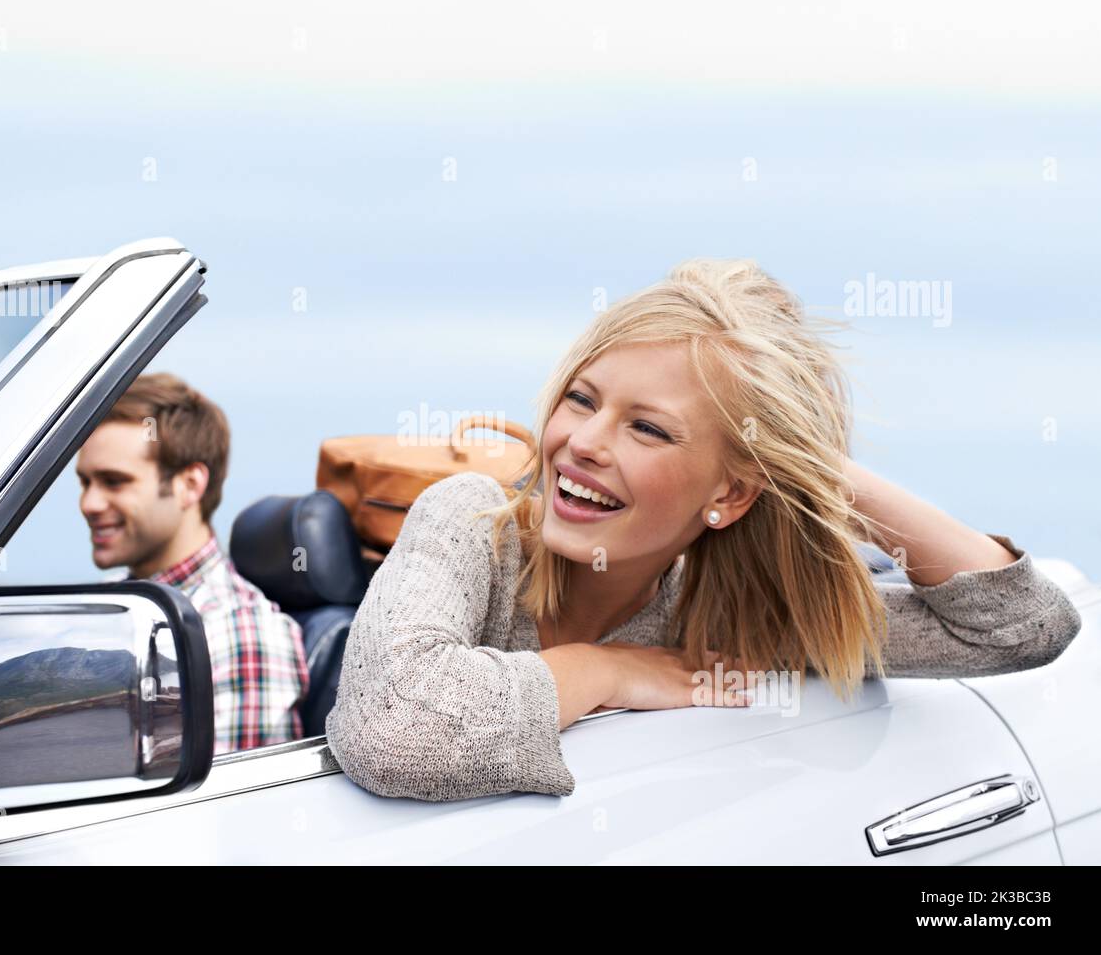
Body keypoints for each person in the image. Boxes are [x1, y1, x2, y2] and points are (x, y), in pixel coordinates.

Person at [324, 258, 1083, 802]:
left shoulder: (733, 621)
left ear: (731, 493)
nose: (583, 442)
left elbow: (1022, 628)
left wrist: (810, 465)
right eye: (582, 399)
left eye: (648, 428)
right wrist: (608, 669)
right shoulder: (468, 521)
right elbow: (392, 727)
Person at [76, 372, 309, 755]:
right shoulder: (111, 603)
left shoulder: (237, 631)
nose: (89, 503)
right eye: (85, 482)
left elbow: (226, 791)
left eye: (114, 481)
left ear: (189, 485)